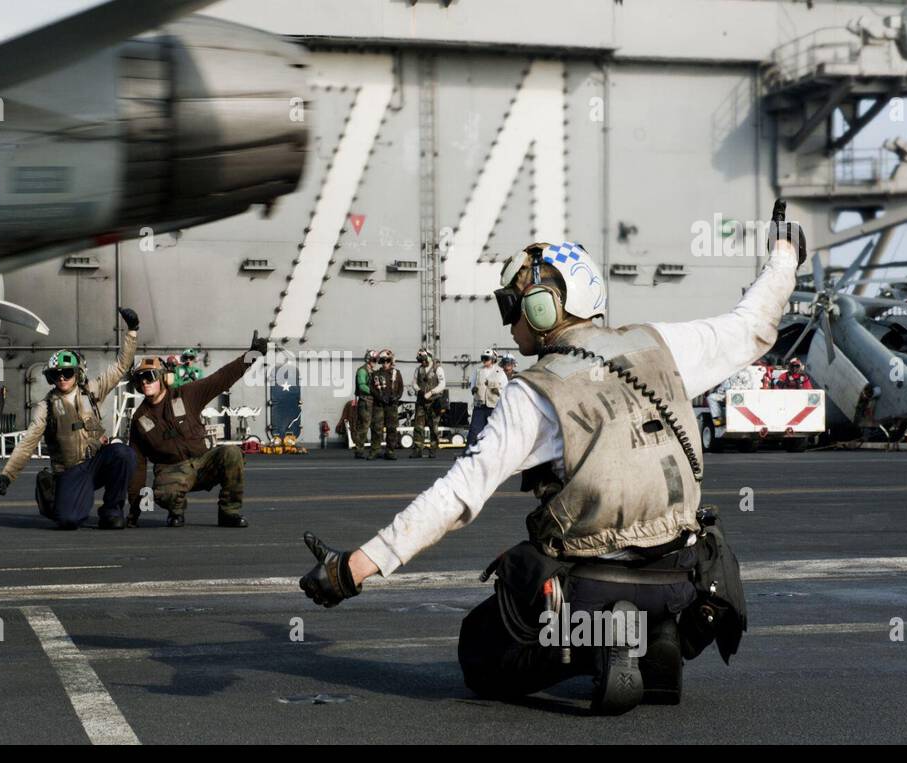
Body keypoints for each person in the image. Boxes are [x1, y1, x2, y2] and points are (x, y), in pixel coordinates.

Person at [297, 200, 806, 715]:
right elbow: (755, 324)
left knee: (478, 650)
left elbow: (457, 495)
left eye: (514, 304)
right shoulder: (664, 346)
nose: (511, 320)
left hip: (589, 585)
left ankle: (606, 645)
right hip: (682, 577)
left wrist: (353, 569)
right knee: (651, 587)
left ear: (545, 306)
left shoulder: (534, 393)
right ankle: (656, 639)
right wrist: (784, 254)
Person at [0, 308, 140, 529]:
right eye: (56, 374)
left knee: (123, 453)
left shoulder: (93, 390)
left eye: (67, 373)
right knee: (67, 520)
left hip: (97, 462)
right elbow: (28, 442)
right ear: (51, 377)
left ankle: (112, 510)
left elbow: (120, 366)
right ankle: (58, 500)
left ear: (77, 373)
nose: (62, 377)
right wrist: (8, 475)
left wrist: (132, 331)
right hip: (71, 470)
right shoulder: (46, 407)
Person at [128, 330, 268, 527]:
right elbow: (138, 466)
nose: (144, 382)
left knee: (232, 453)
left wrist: (252, 355)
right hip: (172, 470)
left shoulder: (187, 395)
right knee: (162, 493)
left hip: (204, 463)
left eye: (150, 376)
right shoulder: (139, 419)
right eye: (140, 379)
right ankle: (176, 511)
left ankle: (229, 512)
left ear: (163, 378)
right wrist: (134, 512)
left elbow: (221, 378)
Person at [464, 348, 504, 454]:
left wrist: (498, 391)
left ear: (493, 359)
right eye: (483, 359)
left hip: (493, 406)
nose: (484, 361)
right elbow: (472, 384)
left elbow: (505, 387)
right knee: (474, 431)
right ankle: (469, 452)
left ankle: (496, 453)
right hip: (480, 406)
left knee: (494, 431)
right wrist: (473, 389)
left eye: (487, 358)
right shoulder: (478, 371)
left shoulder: (500, 372)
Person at [410, 347, 446, 458]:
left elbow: (442, 384)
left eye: (424, 359)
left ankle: (433, 449)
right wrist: (419, 391)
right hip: (421, 401)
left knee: (433, 427)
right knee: (418, 426)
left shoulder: (437, 369)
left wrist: (431, 392)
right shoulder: (418, 369)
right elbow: (414, 383)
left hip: (434, 401)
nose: (423, 362)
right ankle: (417, 450)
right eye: (421, 360)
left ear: (429, 357)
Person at [368, 348, 403, 460]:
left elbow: (401, 388)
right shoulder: (376, 374)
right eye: (383, 361)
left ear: (391, 361)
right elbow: (372, 389)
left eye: (387, 361)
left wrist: (396, 397)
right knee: (376, 429)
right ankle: (375, 451)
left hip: (392, 406)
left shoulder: (397, 374)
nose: (385, 363)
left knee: (392, 429)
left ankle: (390, 451)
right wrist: (380, 397)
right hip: (379, 405)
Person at [352, 350, 378, 459]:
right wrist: (374, 392)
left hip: (374, 401)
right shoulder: (362, 371)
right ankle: (359, 450)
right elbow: (362, 386)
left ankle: (374, 450)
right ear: (368, 360)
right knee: (363, 427)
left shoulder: (373, 371)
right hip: (365, 401)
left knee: (375, 427)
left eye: (376, 360)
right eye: (374, 360)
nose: (375, 362)